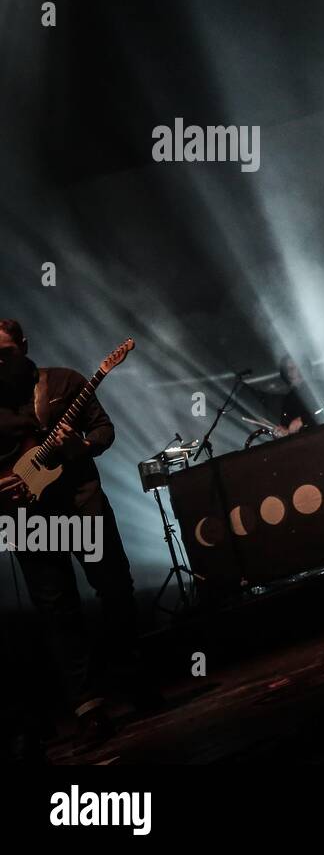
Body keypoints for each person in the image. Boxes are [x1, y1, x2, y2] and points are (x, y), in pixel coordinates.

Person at [0, 318, 155, 748]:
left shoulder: (64, 382)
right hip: (27, 519)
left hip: (81, 503)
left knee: (116, 591)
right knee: (57, 611)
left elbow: (104, 430)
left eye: (5, 353)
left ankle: (133, 679)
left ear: (25, 345)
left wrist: (82, 448)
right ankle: (89, 709)